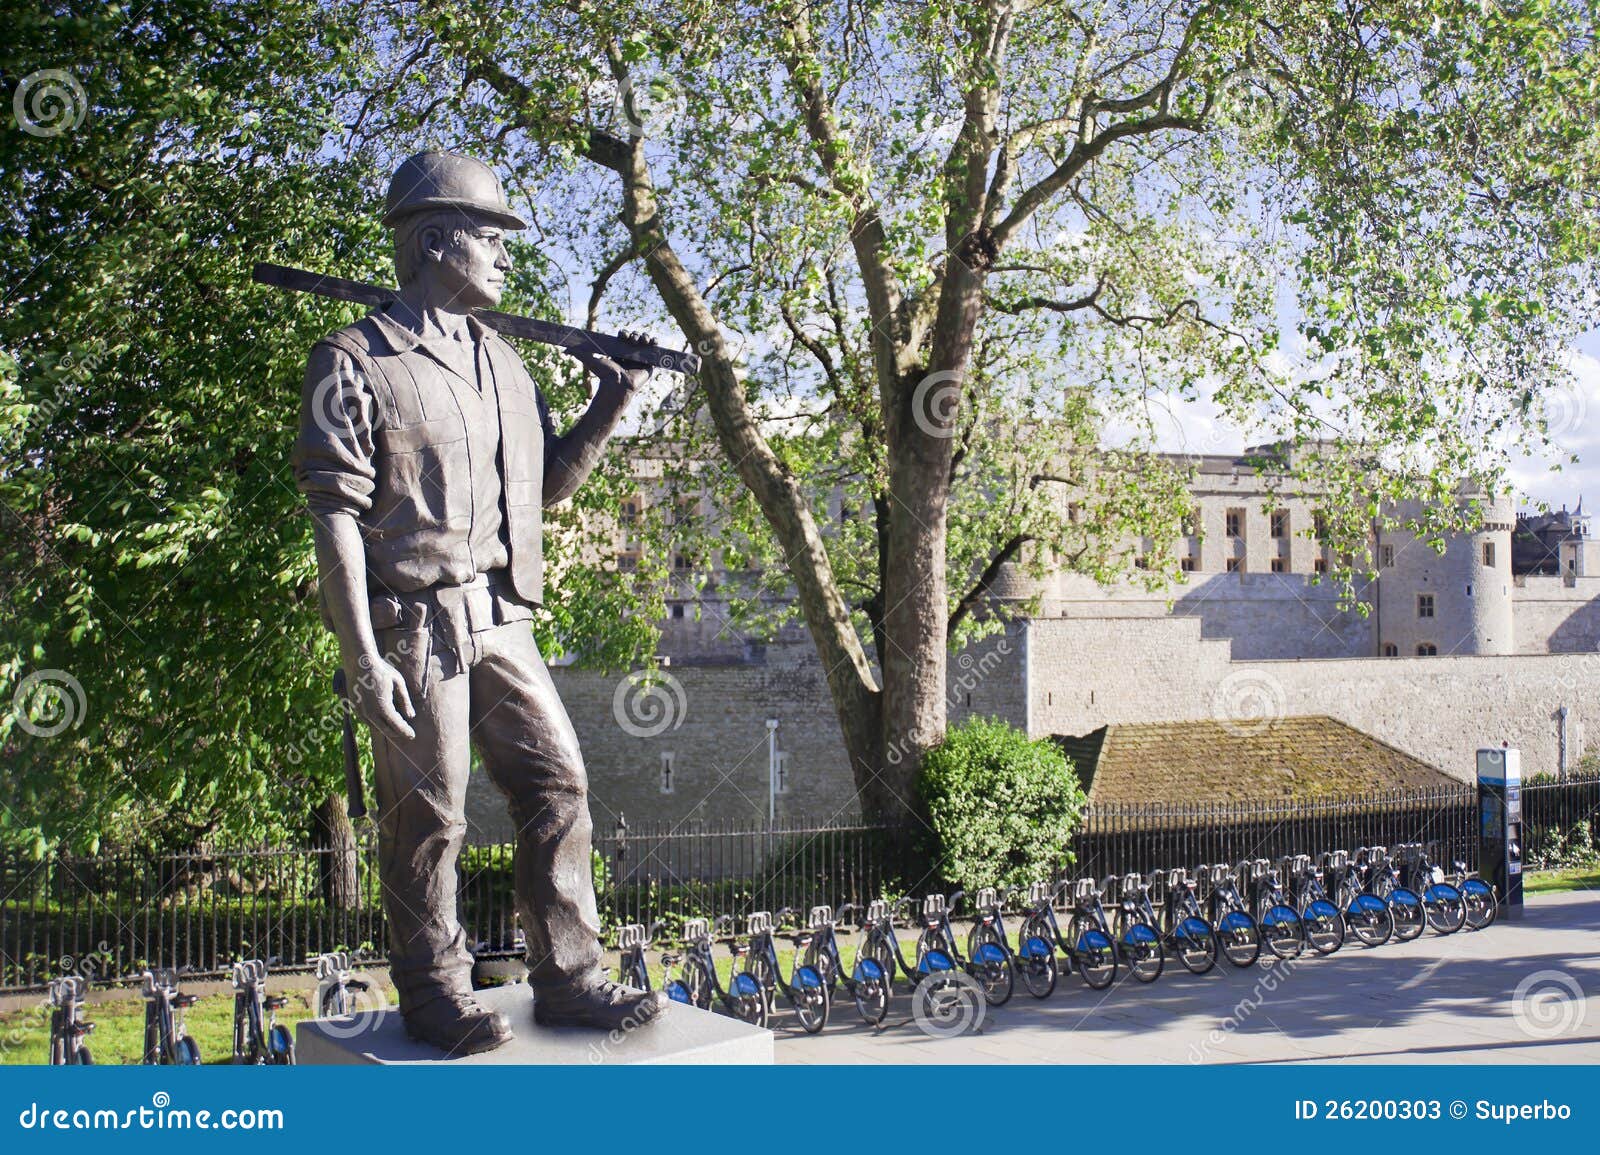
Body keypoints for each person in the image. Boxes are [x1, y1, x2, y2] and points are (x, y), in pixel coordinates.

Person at [292, 151, 667, 1054]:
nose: (505, 254)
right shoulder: (353, 360)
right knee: (431, 811)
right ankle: (433, 993)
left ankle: (570, 975)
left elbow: (542, 494)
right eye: (489, 236)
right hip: (412, 624)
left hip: (503, 619)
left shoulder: (502, 360)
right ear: (431, 242)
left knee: (558, 781)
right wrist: (360, 655)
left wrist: (608, 410)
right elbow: (335, 514)